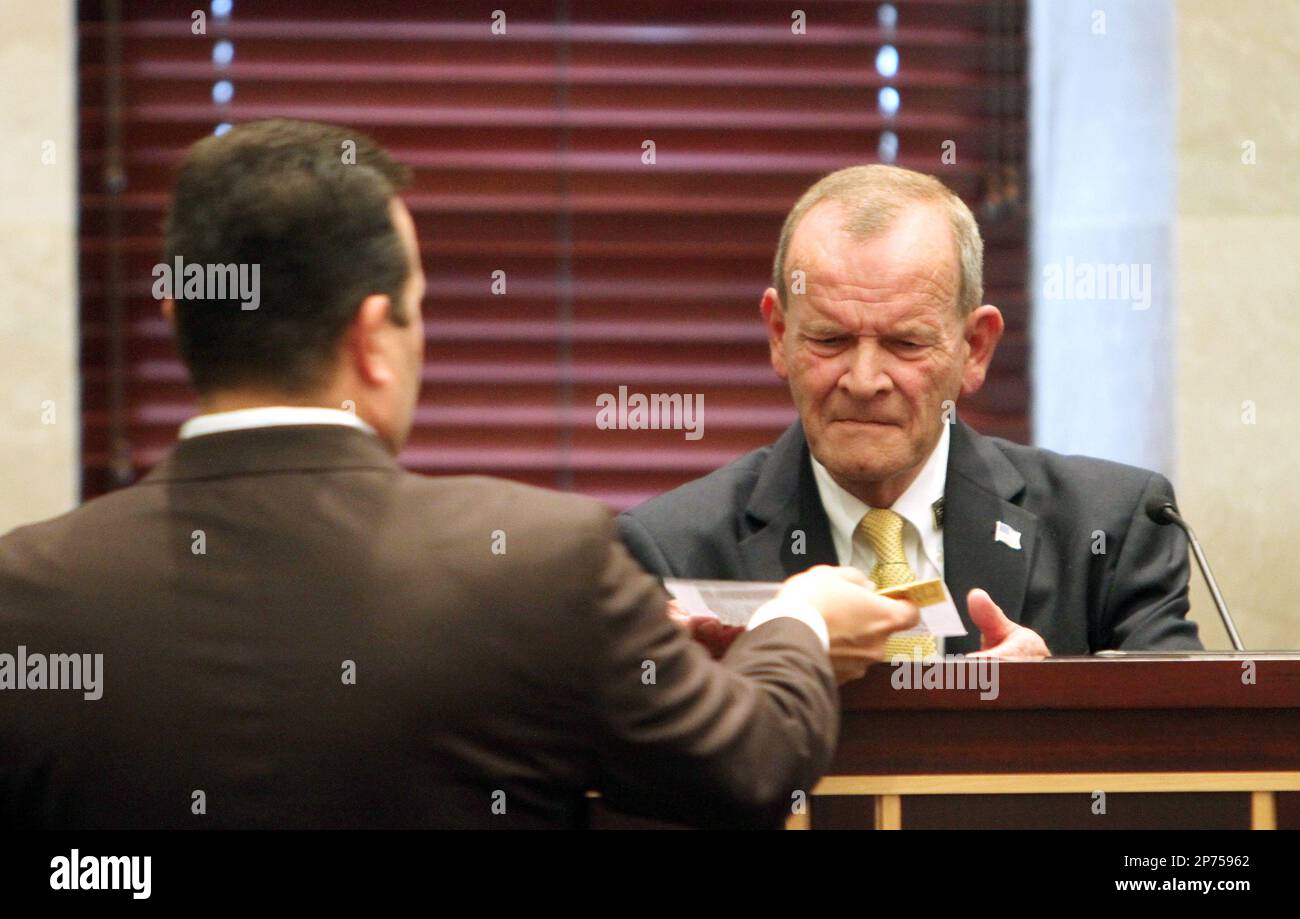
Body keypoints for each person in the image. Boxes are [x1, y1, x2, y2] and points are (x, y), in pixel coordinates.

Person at [0, 121, 921, 830]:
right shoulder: (534, 562)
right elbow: (748, 769)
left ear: (174, 313)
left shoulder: (25, 593)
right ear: (371, 338)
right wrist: (798, 621)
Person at [618, 165, 1201, 659]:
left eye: (905, 344)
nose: (865, 381)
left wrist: (1044, 712)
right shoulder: (670, 552)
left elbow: (1190, 763)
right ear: (779, 335)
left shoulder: (1111, 530)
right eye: (829, 340)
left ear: (975, 349)